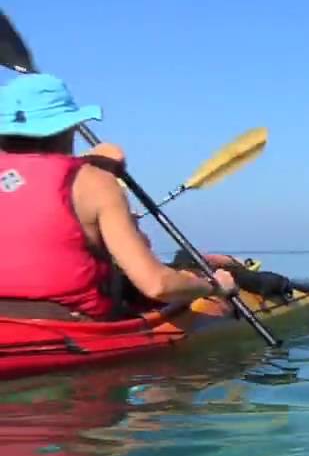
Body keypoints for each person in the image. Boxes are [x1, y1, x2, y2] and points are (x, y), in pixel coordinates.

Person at [0, 73, 238, 320]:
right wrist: (213, 286)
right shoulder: (93, 182)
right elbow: (157, 285)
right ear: (68, 128)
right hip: (70, 324)